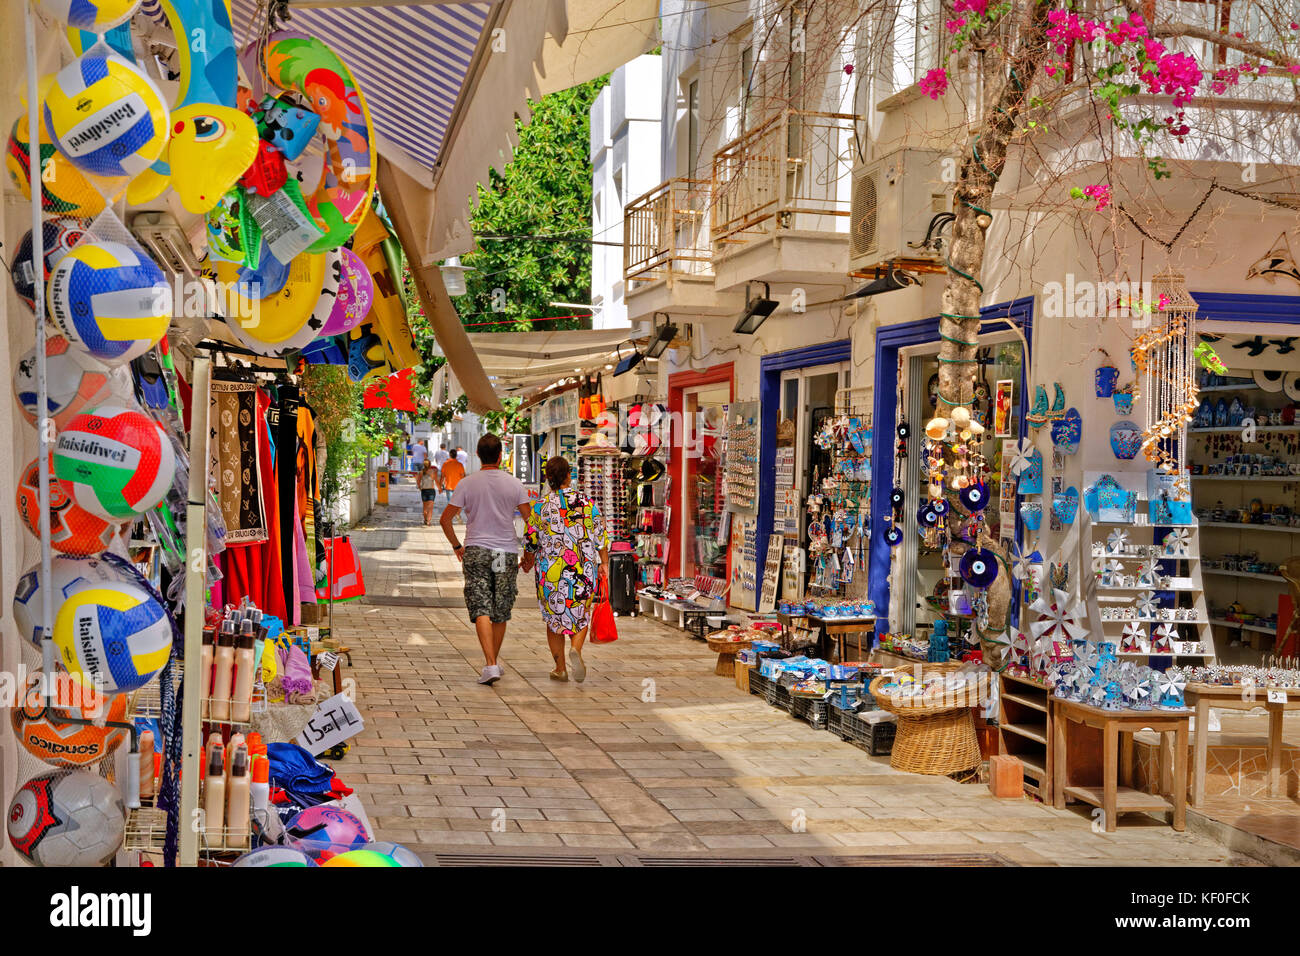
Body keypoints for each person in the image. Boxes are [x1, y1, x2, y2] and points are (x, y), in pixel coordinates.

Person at [439, 434, 533, 685]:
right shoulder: (514, 484)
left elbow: (445, 519)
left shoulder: (467, 483)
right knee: (500, 608)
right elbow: (531, 522)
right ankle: (493, 663)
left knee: (481, 606)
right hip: (504, 553)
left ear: (478, 455)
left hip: (477, 551)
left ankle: (490, 664)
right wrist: (530, 554)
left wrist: (457, 546)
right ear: (501, 456)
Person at [523, 457, 609, 682]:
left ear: (548, 478)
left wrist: (527, 560)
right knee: (581, 615)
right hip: (583, 569)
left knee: (553, 620)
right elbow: (600, 536)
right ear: (569, 476)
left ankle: (560, 669)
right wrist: (604, 563)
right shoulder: (587, 503)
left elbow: (531, 541)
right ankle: (576, 650)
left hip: (550, 573)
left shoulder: (540, 506)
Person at [418, 460, 440, 525]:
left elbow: (418, 482)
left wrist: (420, 488)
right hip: (431, 491)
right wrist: (440, 488)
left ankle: (425, 519)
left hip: (424, 491)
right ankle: (428, 521)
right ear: (430, 465)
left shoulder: (421, 472)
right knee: (430, 507)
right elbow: (436, 481)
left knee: (425, 507)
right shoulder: (433, 472)